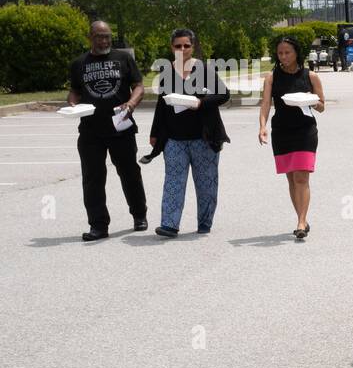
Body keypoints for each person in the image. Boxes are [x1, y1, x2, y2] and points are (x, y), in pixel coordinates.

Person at [67, 20, 148, 241]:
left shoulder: (123, 58)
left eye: (107, 36)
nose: (104, 40)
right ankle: (98, 225)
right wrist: (73, 104)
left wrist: (131, 104)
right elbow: (74, 90)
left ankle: (139, 214)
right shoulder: (79, 64)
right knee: (92, 178)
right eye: (99, 36)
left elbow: (139, 86)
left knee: (129, 172)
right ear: (89, 37)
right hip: (90, 131)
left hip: (120, 126)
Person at [148, 28, 231, 237]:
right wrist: (155, 132)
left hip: (203, 137)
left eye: (186, 45)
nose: (182, 49)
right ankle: (169, 224)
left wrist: (200, 103)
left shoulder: (203, 70)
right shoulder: (166, 73)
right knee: (173, 181)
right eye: (178, 46)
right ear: (172, 47)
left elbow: (223, 95)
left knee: (206, 183)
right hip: (174, 138)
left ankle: (204, 223)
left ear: (192, 47)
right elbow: (161, 105)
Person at [258, 36, 324, 239]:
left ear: (296, 53)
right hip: (282, 131)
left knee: (301, 177)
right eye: (280, 53)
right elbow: (266, 104)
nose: (284, 56)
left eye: (288, 52)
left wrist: (310, 101)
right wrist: (262, 127)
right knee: (291, 178)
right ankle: (301, 217)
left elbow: (322, 106)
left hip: (305, 131)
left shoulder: (310, 76)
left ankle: (301, 222)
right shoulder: (272, 77)